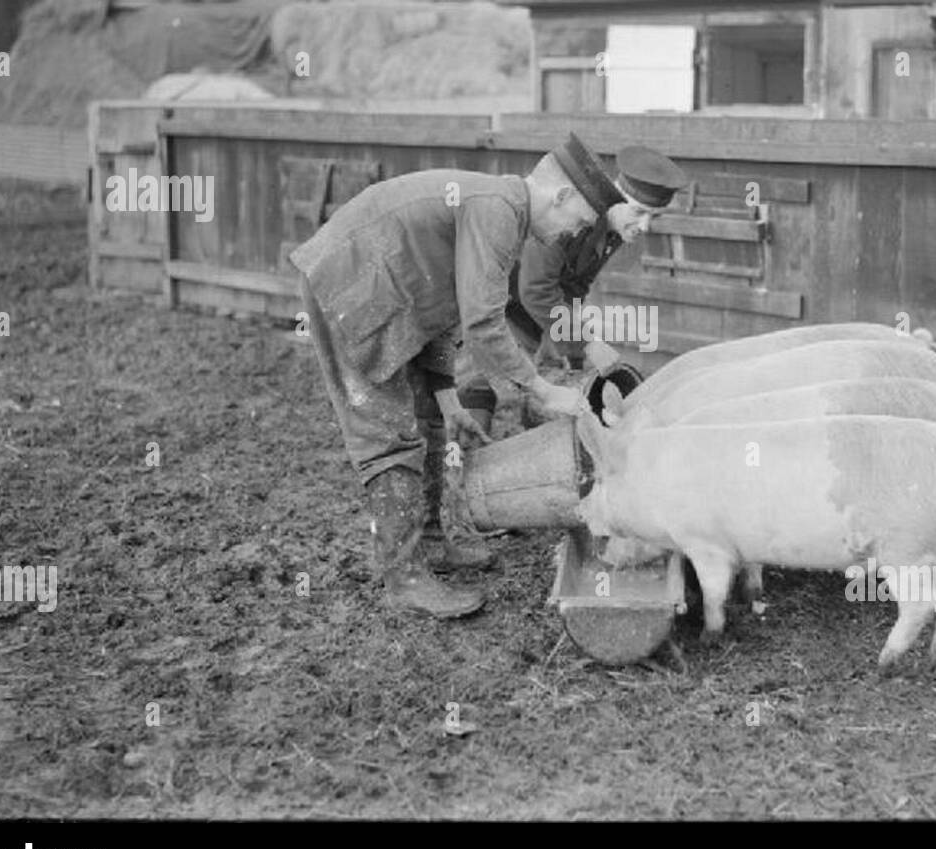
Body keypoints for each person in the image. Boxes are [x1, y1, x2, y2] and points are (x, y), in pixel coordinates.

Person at [289, 134, 684, 619]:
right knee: (389, 437)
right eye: (577, 221)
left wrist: (447, 397)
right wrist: (540, 388)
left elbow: (443, 307)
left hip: (398, 293)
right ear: (560, 198)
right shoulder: (498, 210)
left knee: (434, 419)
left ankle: (433, 542)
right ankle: (405, 576)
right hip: (351, 289)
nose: (571, 234)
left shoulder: (503, 209)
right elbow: (482, 321)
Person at [457, 137, 688, 420]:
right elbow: (536, 289)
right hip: (495, 298)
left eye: (654, 217)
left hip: (529, 311)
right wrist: (587, 342)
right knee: (479, 380)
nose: (645, 226)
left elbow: (575, 287)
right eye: (639, 212)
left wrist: (574, 354)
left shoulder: (614, 230)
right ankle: (457, 454)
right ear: (616, 197)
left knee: (531, 384)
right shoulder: (574, 215)